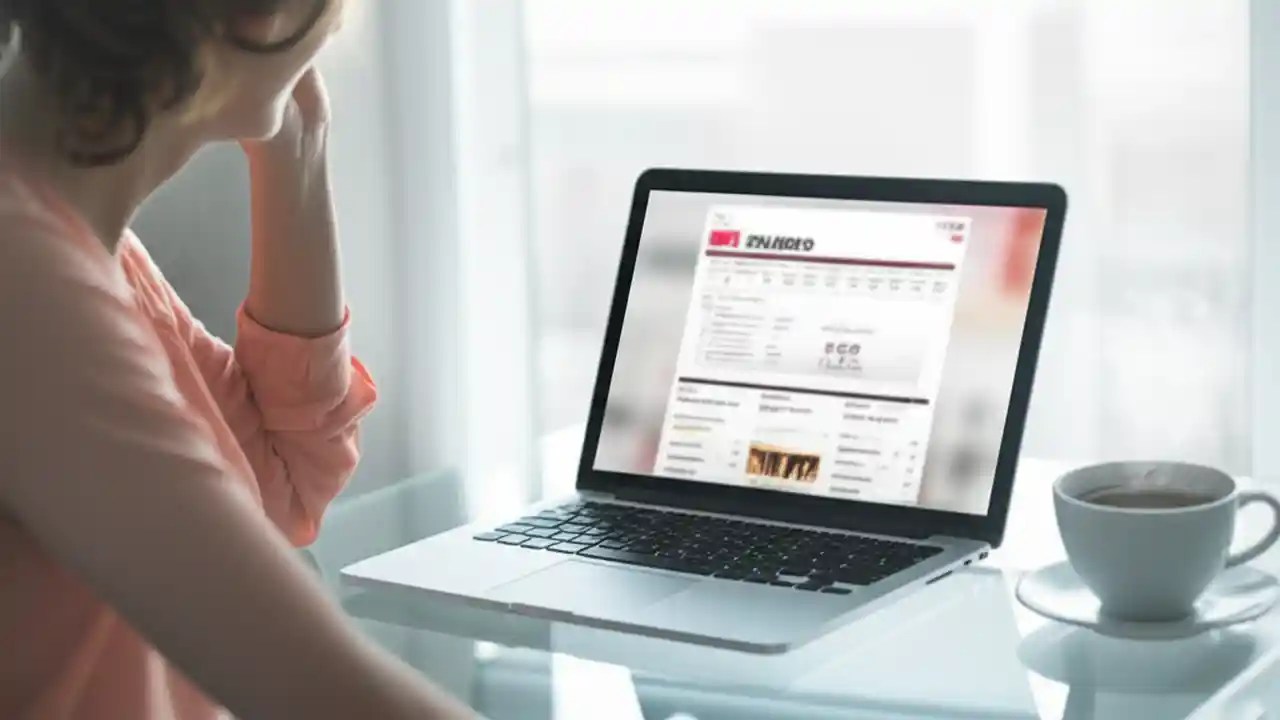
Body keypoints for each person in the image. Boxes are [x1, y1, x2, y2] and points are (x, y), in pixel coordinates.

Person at [0, 1, 475, 718]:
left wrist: (298, 147)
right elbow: (330, 697)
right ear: (266, 17)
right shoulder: (28, 284)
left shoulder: (86, 250)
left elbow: (279, 494)